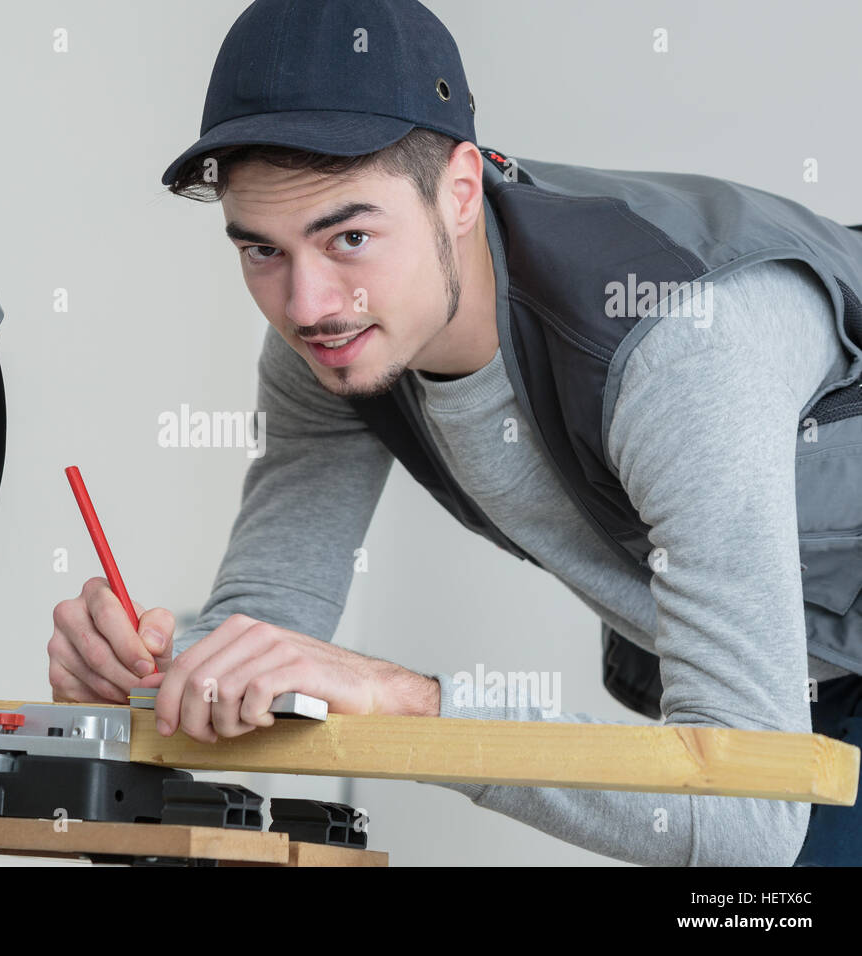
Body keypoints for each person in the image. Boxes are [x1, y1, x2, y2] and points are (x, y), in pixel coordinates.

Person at [48, 0, 862, 865]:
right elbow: (272, 632)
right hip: (786, 690)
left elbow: (745, 822)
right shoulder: (336, 340)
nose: (307, 305)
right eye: (262, 250)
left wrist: (405, 703)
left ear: (461, 190)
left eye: (350, 236)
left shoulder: (674, 350)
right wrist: (165, 664)